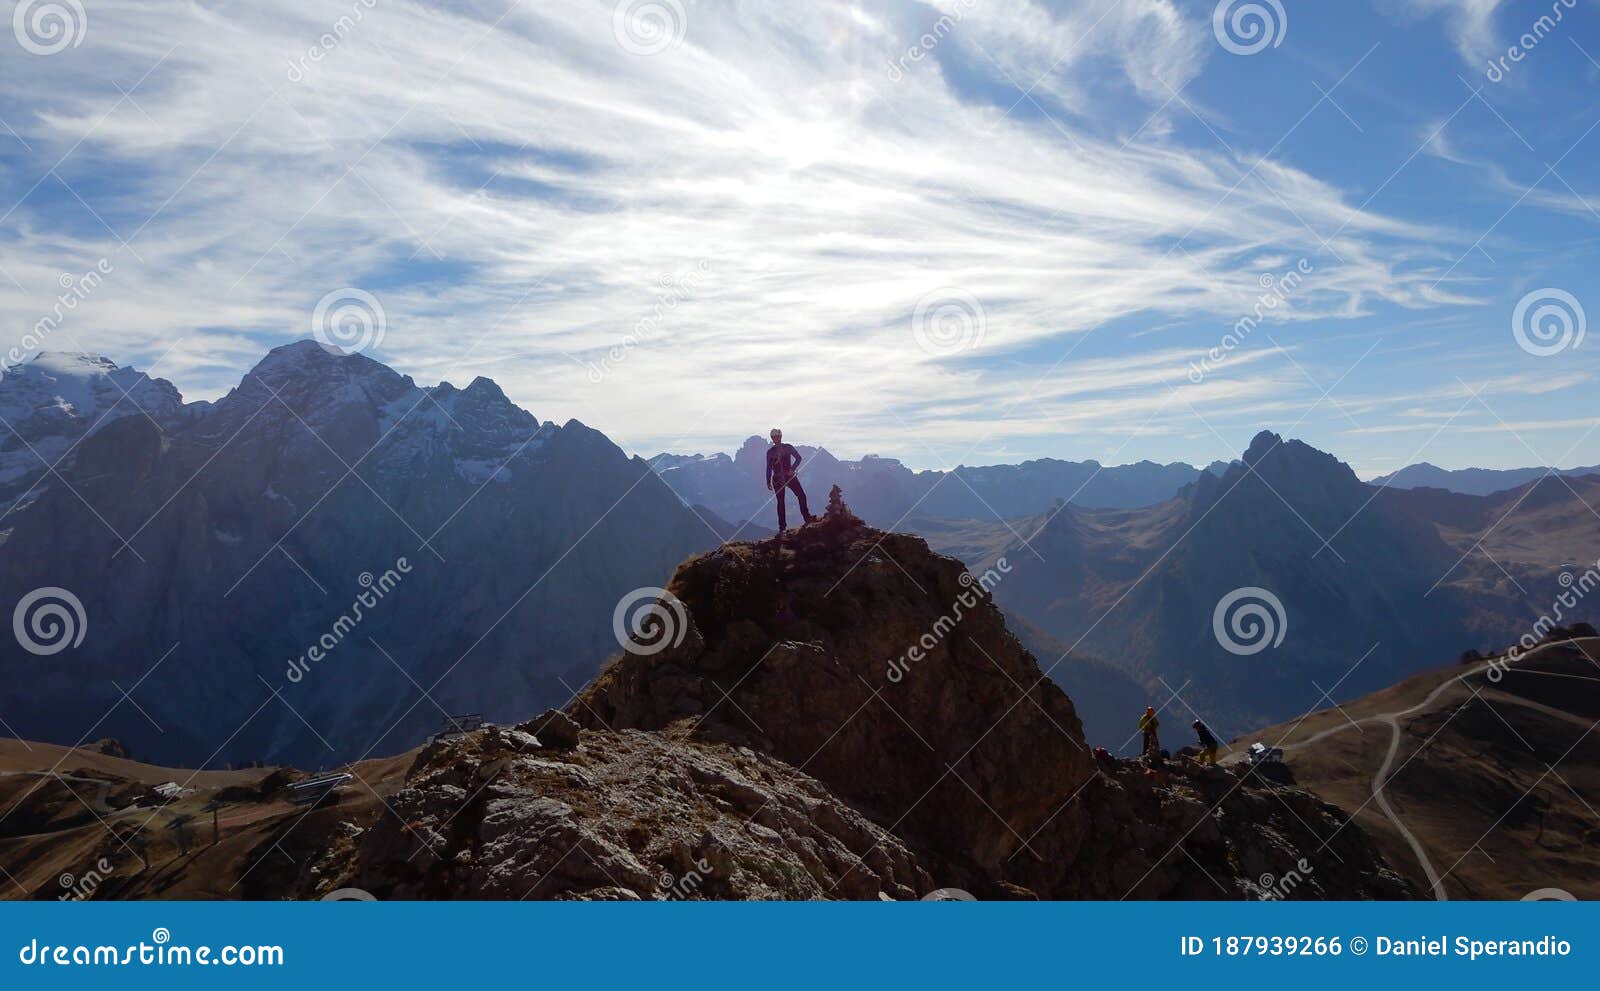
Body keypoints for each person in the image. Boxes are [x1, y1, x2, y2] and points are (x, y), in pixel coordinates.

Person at [765, 428, 814, 532]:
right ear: (772, 438)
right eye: (774, 437)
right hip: (780, 478)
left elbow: (798, 458)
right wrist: (768, 481)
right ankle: (783, 527)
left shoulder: (781, 449)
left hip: (785, 477)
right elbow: (768, 467)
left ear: (780, 437)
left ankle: (806, 518)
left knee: (800, 496)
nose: (776, 439)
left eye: (777, 437)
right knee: (782, 502)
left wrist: (792, 469)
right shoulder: (774, 451)